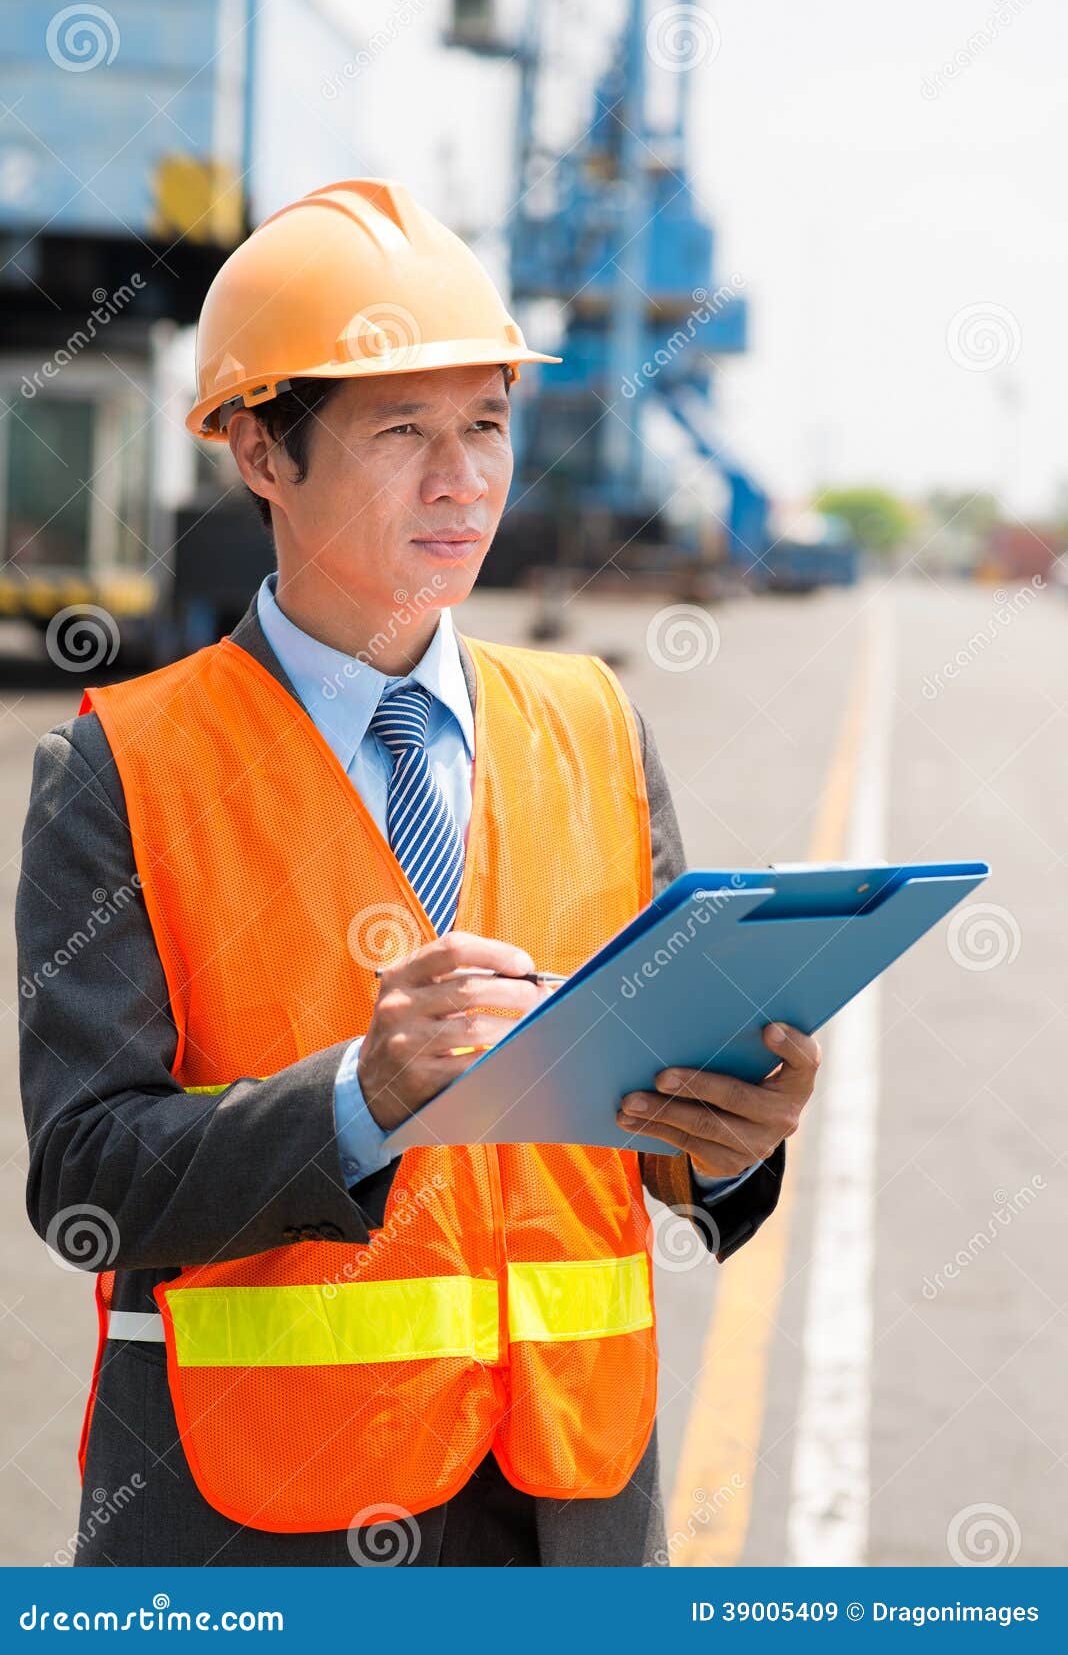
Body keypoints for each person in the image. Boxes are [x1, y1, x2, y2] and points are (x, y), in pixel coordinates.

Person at [16, 179, 820, 1567]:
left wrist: (732, 1143)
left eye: (488, 427)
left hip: (573, 1512)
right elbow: (87, 1175)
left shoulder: (594, 727)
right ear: (263, 451)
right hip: (260, 1520)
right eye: (404, 433)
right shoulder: (122, 766)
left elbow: (648, 1138)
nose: (464, 481)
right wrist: (352, 1099)